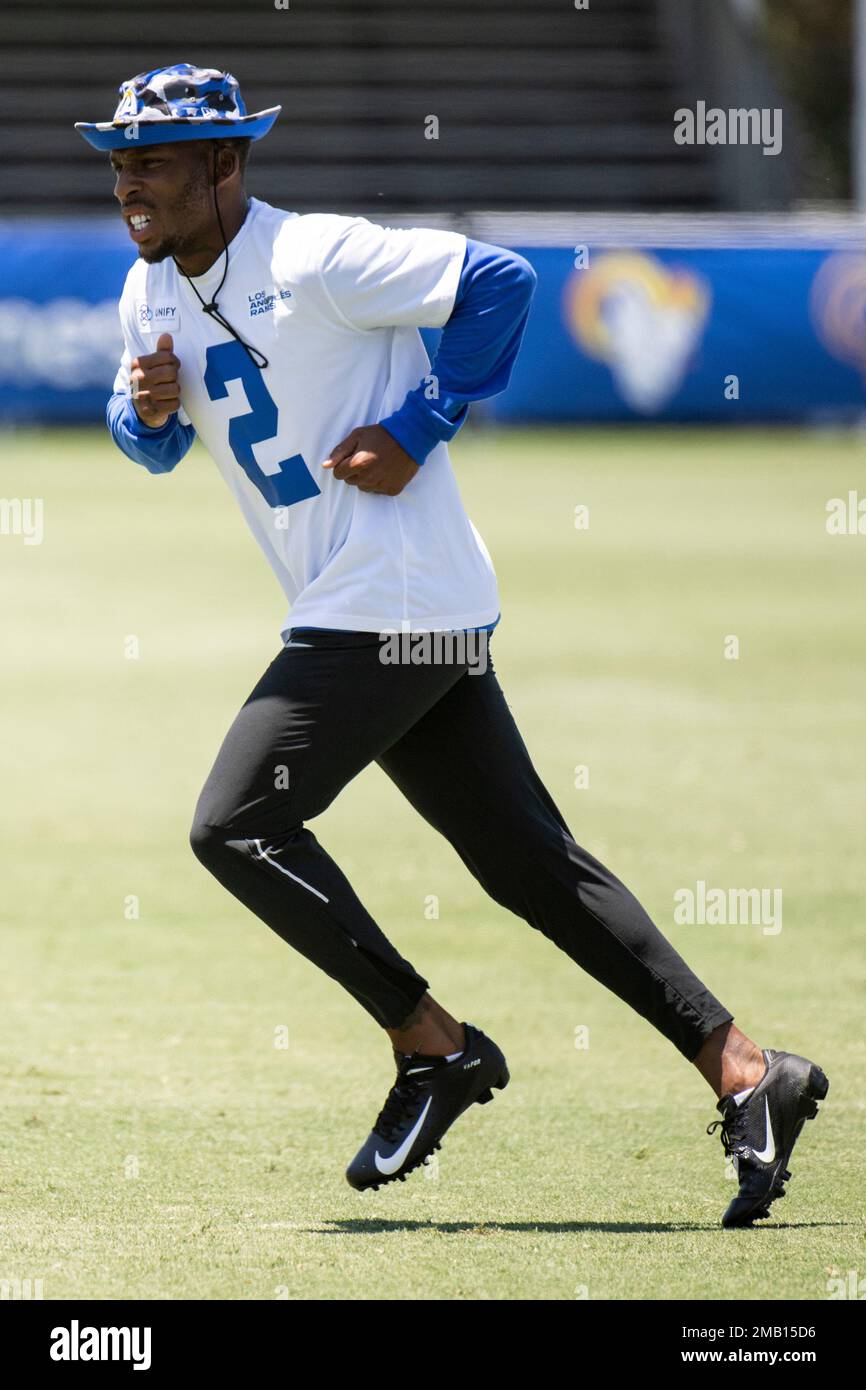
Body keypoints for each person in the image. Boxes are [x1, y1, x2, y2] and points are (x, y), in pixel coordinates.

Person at [76, 63, 827, 1225]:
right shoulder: (147, 288)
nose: (128, 182)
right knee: (531, 867)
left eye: (153, 162)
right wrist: (145, 415)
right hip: (388, 606)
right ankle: (747, 1073)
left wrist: (421, 423)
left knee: (234, 825)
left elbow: (499, 278)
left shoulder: (317, 254)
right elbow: (154, 442)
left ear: (226, 164)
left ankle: (432, 1047)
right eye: (119, 160)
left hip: (391, 598)